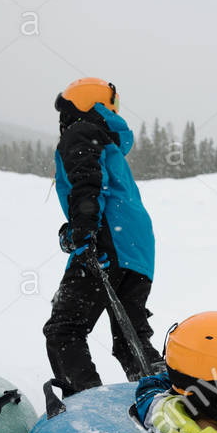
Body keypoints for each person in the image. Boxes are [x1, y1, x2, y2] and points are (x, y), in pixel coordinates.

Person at [46, 77, 161, 395]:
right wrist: (74, 229)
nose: (62, 118)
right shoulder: (108, 143)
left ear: (79, 104)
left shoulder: (81, 132)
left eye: (65, 109)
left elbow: (88, 183)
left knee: (64, 330)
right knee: (131, 342)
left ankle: (85, 408)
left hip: (106, 245)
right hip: (137, 253)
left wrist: (83, 233)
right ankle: (169, 401)